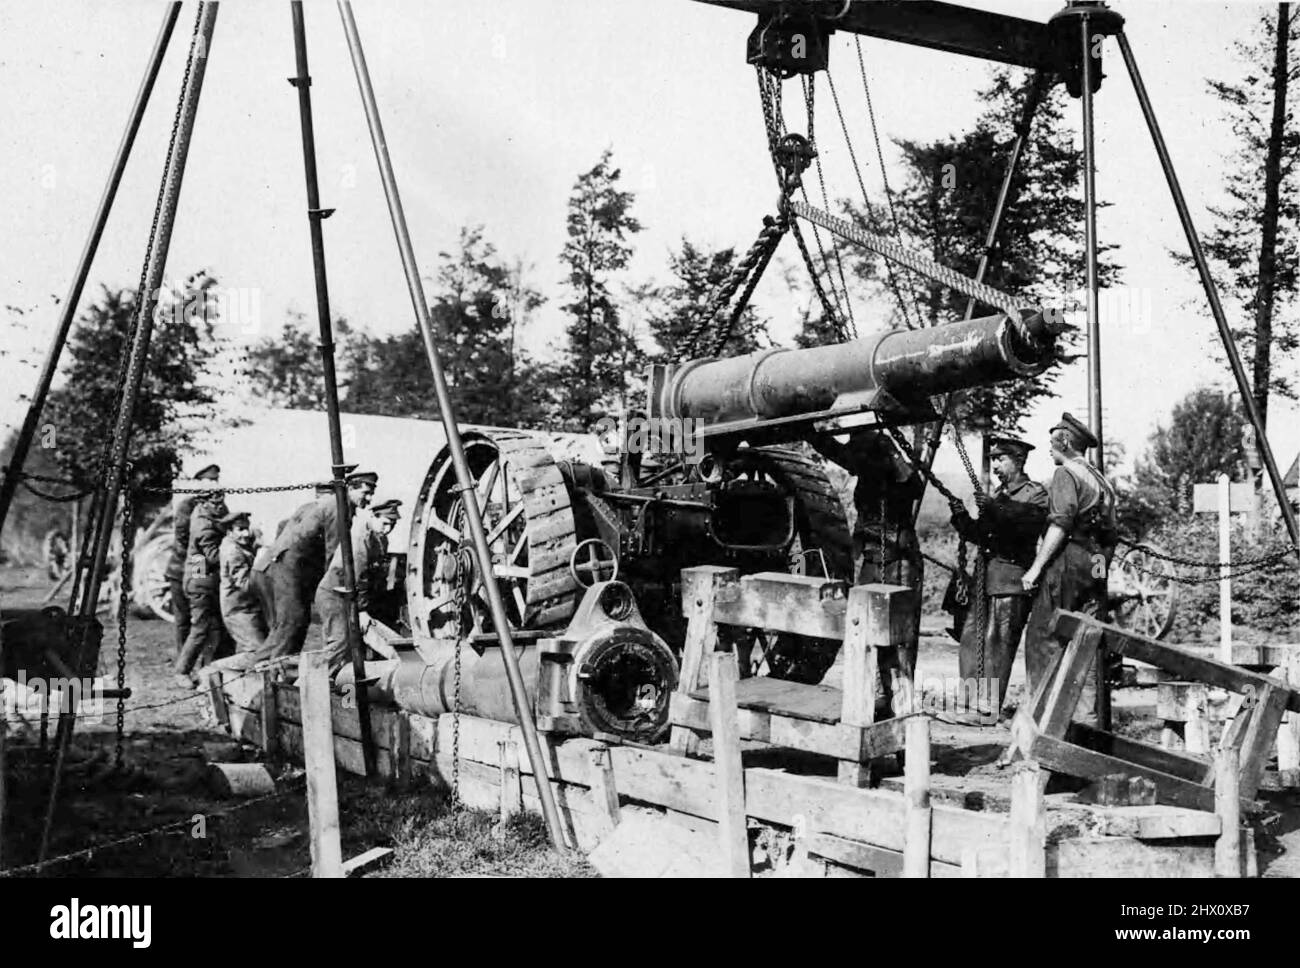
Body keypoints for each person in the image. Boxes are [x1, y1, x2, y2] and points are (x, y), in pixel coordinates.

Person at [810, 429, 923, 703]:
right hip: (872, 559)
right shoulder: (868, 468)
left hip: (899, 561)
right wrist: (812, 433)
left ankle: (900, 700)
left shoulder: (898, 474)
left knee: (898, 637)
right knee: (865, 628)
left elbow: (913, 484)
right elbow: (840, 454)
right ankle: (874, 696)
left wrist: (891, 453)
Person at [1020, 413, 1119, 726]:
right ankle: (1085, 725)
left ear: (1064, 443)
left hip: (1068, 562)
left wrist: (1035, 569)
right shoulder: (1102, 480)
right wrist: (1098, 572)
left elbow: (1060, 525)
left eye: (1052, 444)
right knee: (1086, 641)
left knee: (1043, 638)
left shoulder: (1066, 474)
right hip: (1096, 564)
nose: (1050, 450)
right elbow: (1111, 533)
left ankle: (1041, 725)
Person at [949, 435, 1048, 720]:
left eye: (1001, 459)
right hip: (986, 579)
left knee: (999, 645)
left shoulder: (1034, 493)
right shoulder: (999, 498)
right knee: (971, 638)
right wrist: (961, 518)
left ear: (1019, 461)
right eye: (993, 459)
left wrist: (994, 507)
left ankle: (988, 706)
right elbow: (982, 534)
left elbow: (1026, 524)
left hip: (1011, 581)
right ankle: (968, 704)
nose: (996, 466)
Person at [252, 469, 377, 667]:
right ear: (351, 488)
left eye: (372, 494)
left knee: (292, 624)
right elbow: (334, 554)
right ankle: (272, 673)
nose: (369, 499)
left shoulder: (334, 505)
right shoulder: (338, 508)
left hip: (284, 566)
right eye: (365, 493)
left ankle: (266, 667)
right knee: (292, 622)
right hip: (287, 566)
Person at [315, 499, 401, 677]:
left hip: (350, 595)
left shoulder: (379, 539)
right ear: (373, 516)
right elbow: (358, 575)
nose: (388, 529)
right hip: (334, 594)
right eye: (385, 523)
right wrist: (361, 611)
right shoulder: (361, 537)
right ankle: (309, 684)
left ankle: (342, 689)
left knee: (349, 646)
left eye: (392, 525)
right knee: (339, 644)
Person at [173, 488, 229, 685]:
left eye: (221, 502)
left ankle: (209, 672)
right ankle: (182, 672)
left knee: (214, 628)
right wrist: (234, 547)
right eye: (215, 503)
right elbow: (212, 556)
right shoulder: (204, 525)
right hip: (200, 583)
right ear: (204, 503)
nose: (220, 506)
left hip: (203, 579)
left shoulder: (207, 515)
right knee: (200, 628)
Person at [165, 463, 219, 657]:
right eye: (209, 481)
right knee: (183, 620)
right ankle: (183, 661)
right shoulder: (187, 506)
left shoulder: (217, 505)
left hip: (202, 567)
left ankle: (206, 662)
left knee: (205, 618)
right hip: (181, 569)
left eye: (216, 481)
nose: (214, 485)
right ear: (200, 484)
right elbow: (183, 540)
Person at [217, 510, 267, 655]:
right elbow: (245, 585)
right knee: (257, 653)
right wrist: (260, 562)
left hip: (247, 607)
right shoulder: (233, 552)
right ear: (229, 532)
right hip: (239, 610)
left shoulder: (237, 545)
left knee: (264, 650)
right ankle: (214, 671)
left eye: (247, 528)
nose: (246, 533)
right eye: (240, 529)